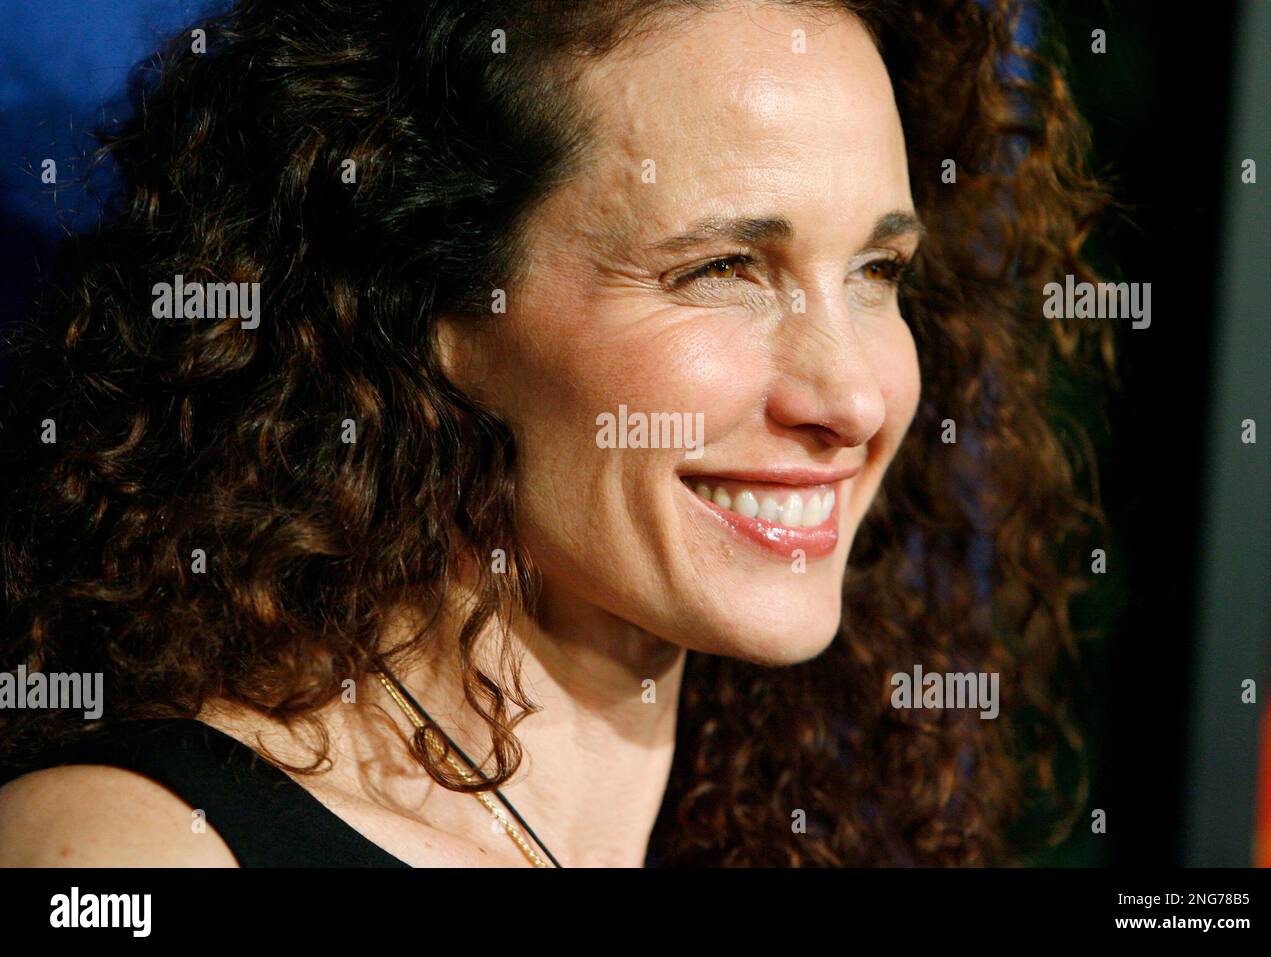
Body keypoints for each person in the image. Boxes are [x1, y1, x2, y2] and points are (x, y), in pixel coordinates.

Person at [0, 0, 1111, 867]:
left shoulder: (811, 828)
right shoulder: (134, 854)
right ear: (428, 306)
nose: (853, 399)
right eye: (722, 269)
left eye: (878, 273)